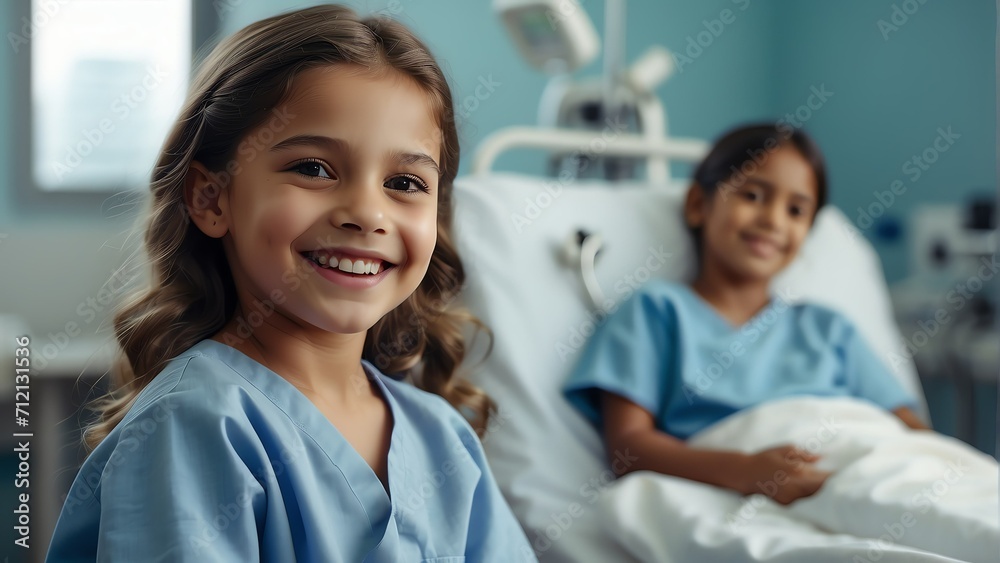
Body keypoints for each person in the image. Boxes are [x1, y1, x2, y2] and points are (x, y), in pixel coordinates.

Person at [46, 5, 535, 561]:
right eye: (313, 169)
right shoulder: (196, 425)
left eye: (404, 182)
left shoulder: (444, 439)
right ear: (211, 198)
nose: (366, 213)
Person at [563, 123, 927, 506]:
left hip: (863, 473)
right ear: (697, 205)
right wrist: (744, 470)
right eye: (752, 195)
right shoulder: (656, 311)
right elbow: (629, 449)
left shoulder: (828, 328)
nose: (773, 220)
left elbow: (910, 433)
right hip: (753, 494)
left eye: (796, 210)